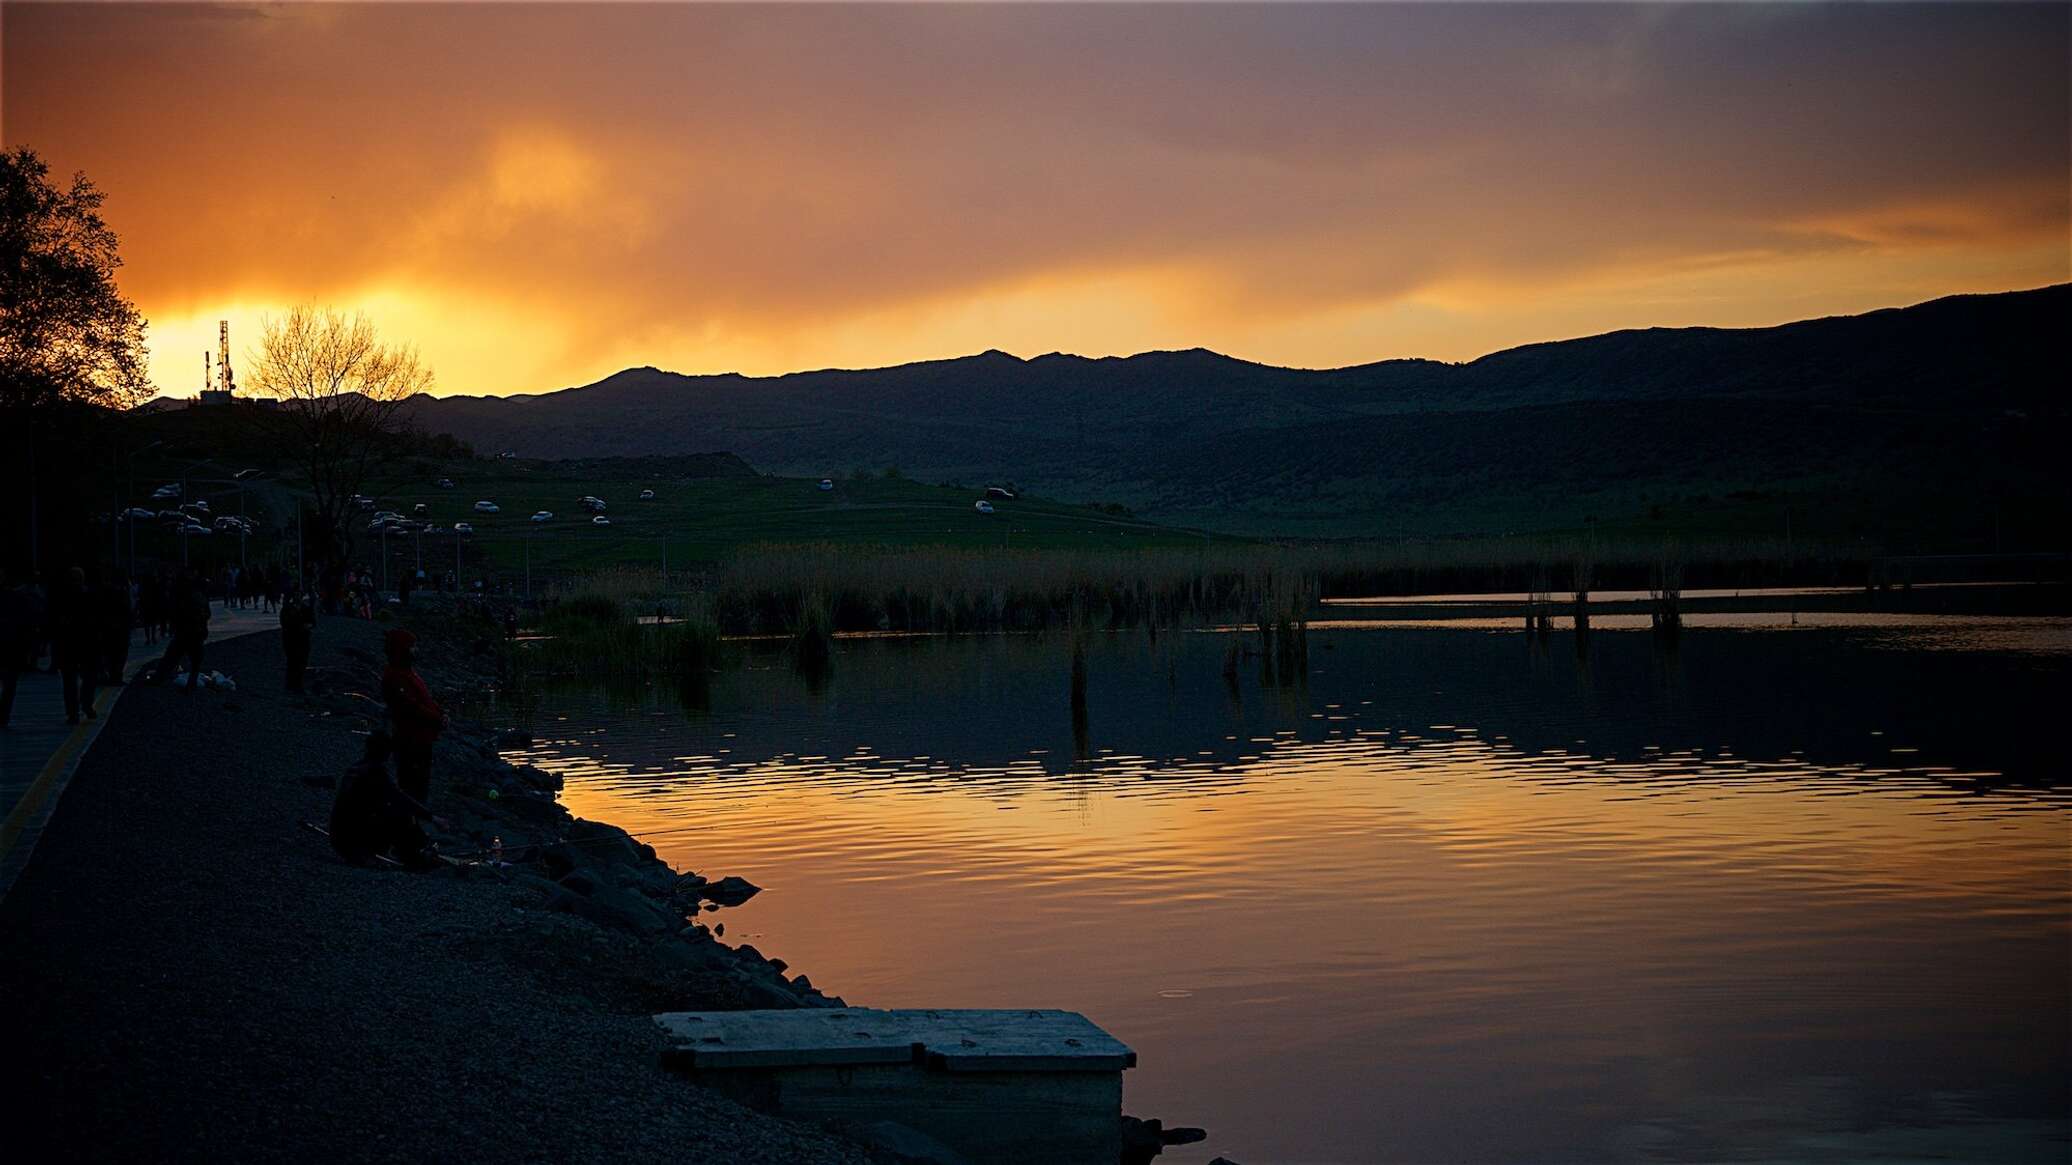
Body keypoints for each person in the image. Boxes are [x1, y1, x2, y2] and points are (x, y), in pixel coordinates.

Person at [328, 730, 445, 868]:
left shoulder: (356, 768)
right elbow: (400, 798)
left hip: (339, 838)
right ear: (386, 752)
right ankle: (416, 857)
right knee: (401, 815)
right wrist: (432, 818)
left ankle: (412, 850)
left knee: (392, 811)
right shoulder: (375, 773)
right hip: (353, 841)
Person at [380, 628, 444, 804]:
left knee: (419, 785)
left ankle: (414, 823)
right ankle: (409, 824)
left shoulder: (407, 672)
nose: (416, 650)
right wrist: (437, 719)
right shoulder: (396, 676)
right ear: (403, 649)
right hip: (411, 740)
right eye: (413, 646)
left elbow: (423, 699)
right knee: (412, 786)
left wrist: (439, 713)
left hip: (420, 738)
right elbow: (411, 707)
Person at [50, 567, 99, 724]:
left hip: (78, 643)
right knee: (78, 678)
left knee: (78, 679)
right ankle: (79, 709)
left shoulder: (64, 598)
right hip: (75, 644)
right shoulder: (67, 598)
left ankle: (79, 709)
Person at [149, 567, 210, 691]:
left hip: (187, 632)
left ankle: (159, 678)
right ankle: (190, 682)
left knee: (172, 656)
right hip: (196, 631)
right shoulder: (198, 595)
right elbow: (207, 613)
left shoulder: (182, 596)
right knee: (194, 659)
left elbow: (176, 613)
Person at [0, 567, 39, 730]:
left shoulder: (17, 598)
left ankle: (3, 715)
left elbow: (27, 624)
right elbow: (28, 624)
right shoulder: (17, 598)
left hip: (11, 647)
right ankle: (3, 716)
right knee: (9, 685)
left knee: (9, 684)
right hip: (12, 647)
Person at [99, 567, 133, 686]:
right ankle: (116, 676)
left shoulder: (105, 591)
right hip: (119, 627)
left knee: (111, 653)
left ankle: (113, 675)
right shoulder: (123, 592)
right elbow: (127, 610)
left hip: (110, 627)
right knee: (119, 653)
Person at [280, 589, 316, 693]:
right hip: (291, 639)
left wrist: (308, 626)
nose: (297, 598)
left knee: (302, 662)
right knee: (292, 662)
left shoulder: (306, 608)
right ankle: (291, 684)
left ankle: (298, 684)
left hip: (303, 639)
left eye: (299, 595)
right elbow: (284, 623)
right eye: (295, 595)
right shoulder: (287, 609)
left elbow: (313, 622)